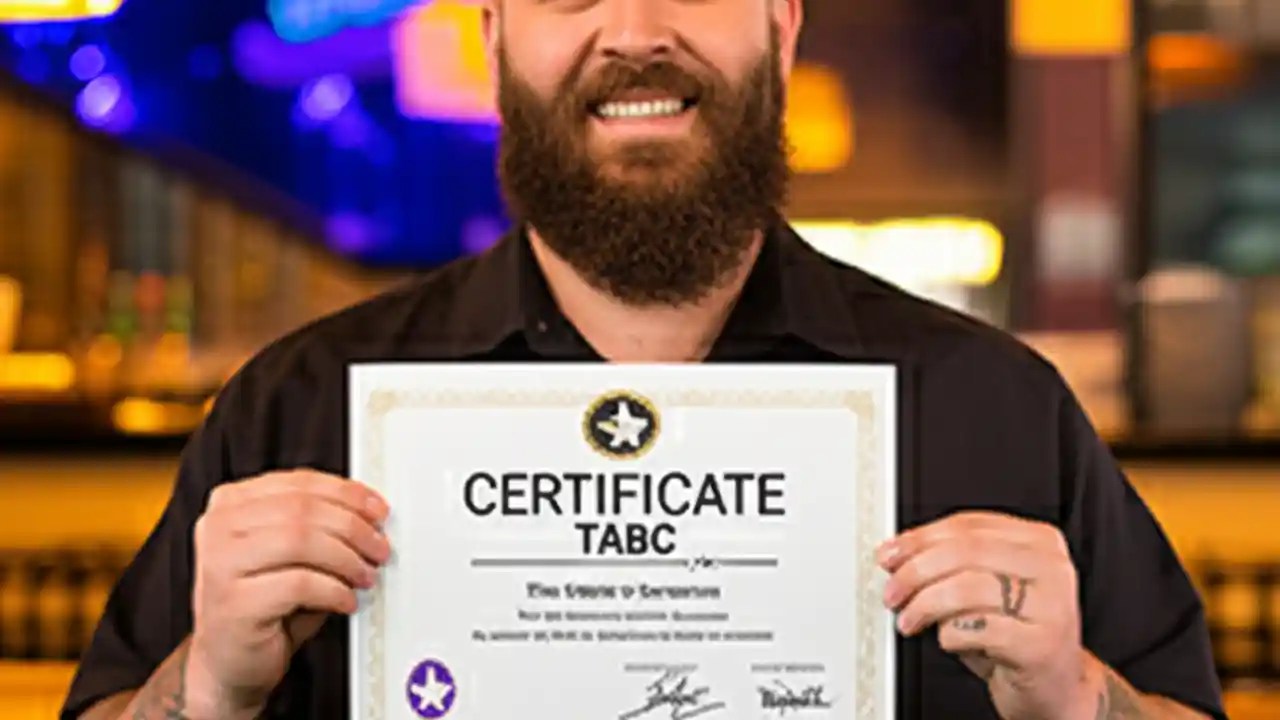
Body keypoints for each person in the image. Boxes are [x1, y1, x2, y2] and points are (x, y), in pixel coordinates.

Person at [63, 0, 1225, 718]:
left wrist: (1078, 703)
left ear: (781, 21)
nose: (633, 30)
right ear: (495, 38)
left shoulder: (997, 408)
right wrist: (206, 692)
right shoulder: (295, 406)